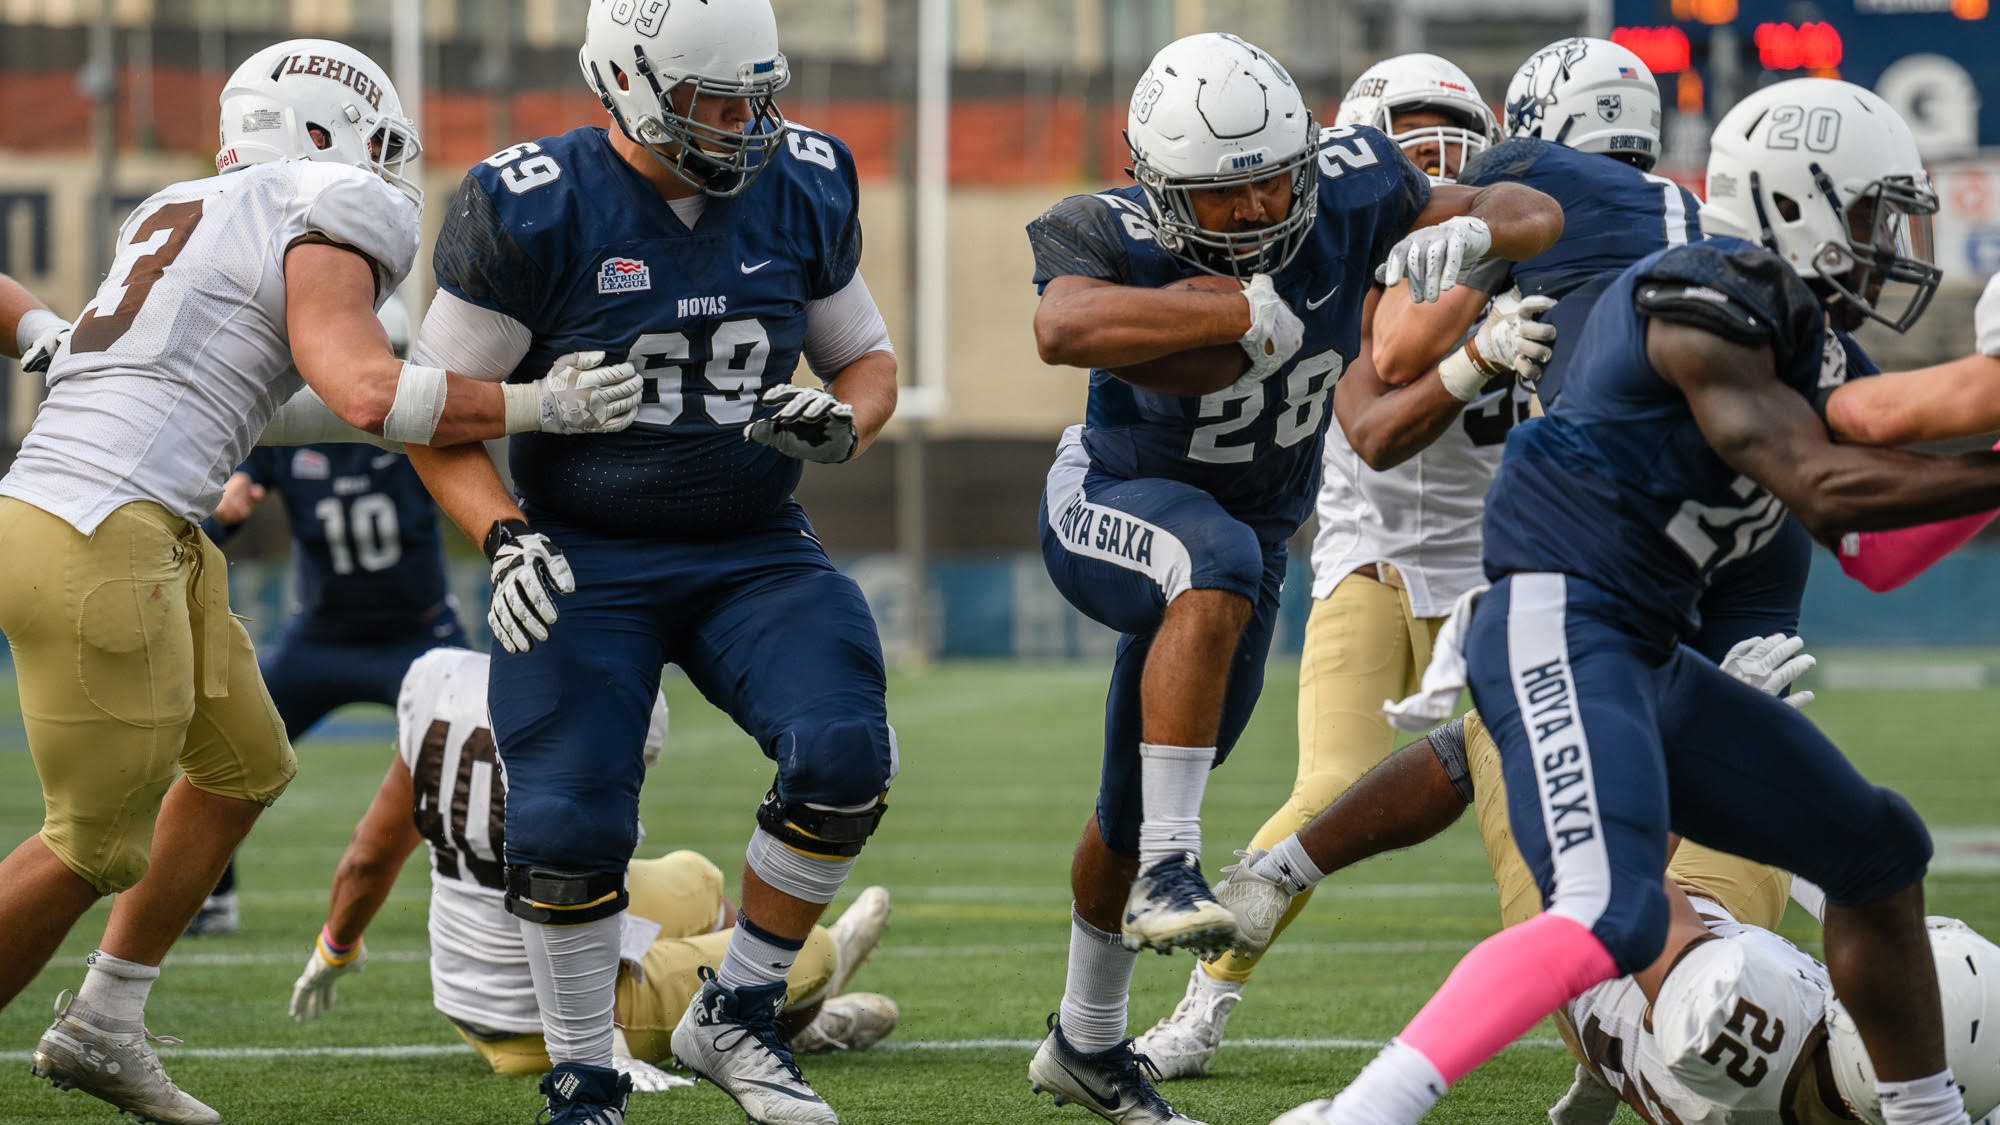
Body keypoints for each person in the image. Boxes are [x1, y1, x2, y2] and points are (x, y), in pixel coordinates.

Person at [1280, 78, 2000, 1125]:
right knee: (1607, 913)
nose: (1886, 239)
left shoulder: (1793, 343)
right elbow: (1826, 484)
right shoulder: (1696, 295)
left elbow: (1875, 533)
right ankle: (1357, 1114)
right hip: (1551, 625)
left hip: (1642, 650)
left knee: (1878, 851)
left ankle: (1924, 1117)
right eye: (1863, 212)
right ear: (1792, 203)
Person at [0, 37, 641, 1125]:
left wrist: (39, 330)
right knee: (94, 841)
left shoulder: (184, 209)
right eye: (380, 147)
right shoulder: (336, 198)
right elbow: (360, 391)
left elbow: (285, 400)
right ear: (321, 134)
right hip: (102, 532)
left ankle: (107, 1019)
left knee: (245, 763)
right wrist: (543, 406)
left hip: (110, 521)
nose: (387, 173)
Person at [1024, 31, 1564, 1125]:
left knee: (1132, 795)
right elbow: (1061, 324)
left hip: (1251, 534)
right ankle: (1177, 873)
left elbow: (1528, 217)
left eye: (1277, 177)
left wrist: (1454, 237)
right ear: (1157, 187)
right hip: (1112, 502)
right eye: (1225, 197)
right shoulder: (1099, 224)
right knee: (1210, 564)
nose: (1261, 208)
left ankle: (1084, 1042)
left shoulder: (1355, 184)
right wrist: (1227, 308)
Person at [400, 2, 902, 1121]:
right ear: (625, 84)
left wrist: (844, 419)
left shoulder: (805, 177)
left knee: (842, 751)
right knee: (568, 825)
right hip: (586, 550)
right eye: (718, 104)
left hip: (751, 546)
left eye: (761, 97)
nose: (749, 128)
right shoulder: (532, 205)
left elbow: (864, 358)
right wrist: (504, 533)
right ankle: (583, 1074)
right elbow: (433, 417)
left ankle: (736, 1013)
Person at [1214, 647, 2000, 1125]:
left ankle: (1276, 874)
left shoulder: (1743, 1012)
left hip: (1601, 952)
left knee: (1501, 726)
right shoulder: (1925, 1096)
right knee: (1797, 810)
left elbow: (1624, 889)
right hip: (1709, 956)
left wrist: (1695, 737)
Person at [288, 647, 898, 1088]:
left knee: (697, 879)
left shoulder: (436, 672)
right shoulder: (617, 700)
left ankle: (771, 1004)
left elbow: (370, 855)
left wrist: (335, 945)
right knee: (811, 951)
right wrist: (603, 1047)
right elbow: (580, 878)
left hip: (461, 985)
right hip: (539, 1021)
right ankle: (795, 1026)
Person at [184, 295, 471, 938]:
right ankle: (211, 895)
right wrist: (227, 508)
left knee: (493, 748)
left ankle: (492, 897)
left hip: (418, 638)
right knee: (221, 751)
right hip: (320, 637)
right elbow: (231, 502)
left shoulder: (419, 427)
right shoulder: (295, 431)